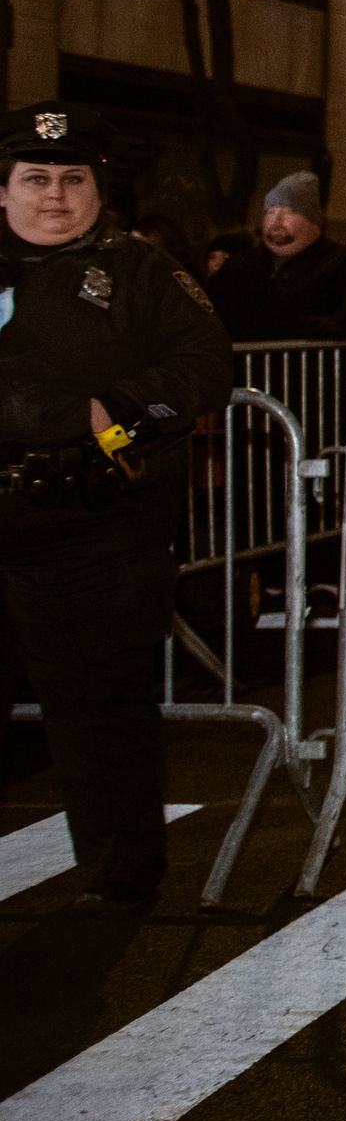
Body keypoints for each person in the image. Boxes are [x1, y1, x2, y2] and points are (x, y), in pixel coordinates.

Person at [0, 102, 233, 906]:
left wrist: (111, 415)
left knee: (99, 707)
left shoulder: (141, 273)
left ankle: (120, 870)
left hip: (91, 527)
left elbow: (205, 371)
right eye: (35, 178)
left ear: (99, 189)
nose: (55, 195)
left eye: (74, 178)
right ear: (3, 191)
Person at [209, 171, 346, 342]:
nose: (277, 220)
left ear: (314, 221)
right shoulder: (240, 265)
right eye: (270, 212)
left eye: (290, 211)